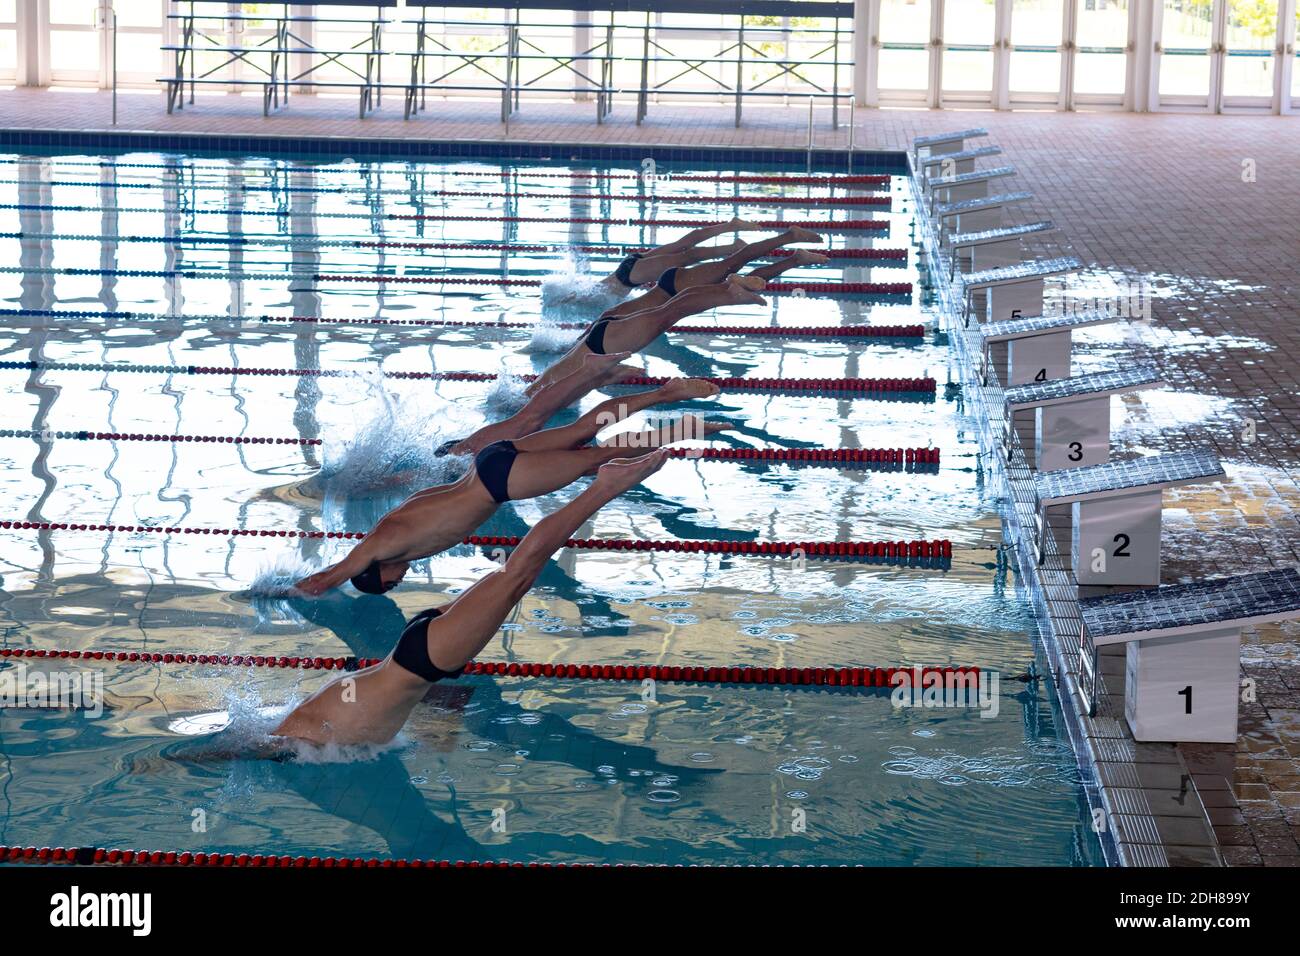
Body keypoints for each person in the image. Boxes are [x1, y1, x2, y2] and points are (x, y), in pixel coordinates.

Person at [274, 450, 671, 746]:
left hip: (423, 660)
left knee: (519, 572)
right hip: (413, 651)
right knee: (512, 572)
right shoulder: (301, 722)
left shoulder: (301, 739)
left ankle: (605, 486)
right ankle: (603, 482)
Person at [292, 379, 726, 596]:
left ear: (378, 573)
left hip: (499, 483)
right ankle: (661, 394)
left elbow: (330, 576)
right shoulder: (394, 526)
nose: (398, 581)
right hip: (488, 461)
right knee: (582, 430)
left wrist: (280, 590)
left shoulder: (382, 545)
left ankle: (686, 429)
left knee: (598, 458)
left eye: (388, 584)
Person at [528, 272, 767, 397]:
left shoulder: (538, 397)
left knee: (672, 311)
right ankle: (727, 288)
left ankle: (729, 292)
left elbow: (586, 375)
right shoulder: (543, 384)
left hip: (604, 345)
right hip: (602, 336)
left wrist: (609, 375)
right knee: (670, 309)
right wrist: (611, 375)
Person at [600, 228, 826, 320]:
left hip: (674, 288)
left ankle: (788, 237)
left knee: (735, 262)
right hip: (680, 294)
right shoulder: (616, 322)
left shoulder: (613, 319)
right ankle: (796, 258)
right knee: (748, 284)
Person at [598, 217, 765, 294]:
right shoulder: (592, 289)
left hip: (628, 276)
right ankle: (730, 226)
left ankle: (732, 246)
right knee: (682, 246)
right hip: (631, 264)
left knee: (687, 257)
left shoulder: (586, 296)